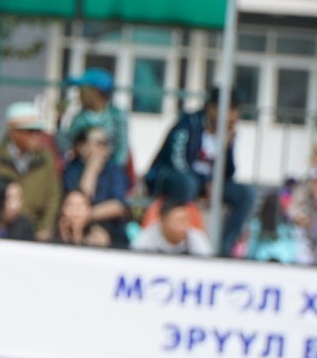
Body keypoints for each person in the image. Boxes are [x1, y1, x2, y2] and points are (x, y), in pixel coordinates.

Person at [144, 89, 252, 257]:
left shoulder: (228, 133)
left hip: (206, 184)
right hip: (173, 178)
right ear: (212, 109)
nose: (233, 116)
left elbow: (229, 173)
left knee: (246, 193)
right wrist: (205, 181)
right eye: (229, 110)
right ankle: (189, 243)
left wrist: (226, 146)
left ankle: (224, 248)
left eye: (236, 111)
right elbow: (177, 161)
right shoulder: (188, 124)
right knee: (188, 183)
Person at [0, 103, 61, 241]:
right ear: (13, 132)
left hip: (34, 233)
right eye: (30, 131)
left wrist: (44, 229)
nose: (36, 136)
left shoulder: (46, 159)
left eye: (38, 131)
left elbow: (53, 198)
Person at [62, 126, 128, 246]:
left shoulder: (115, 170)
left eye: (106, 144)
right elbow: (80, 199)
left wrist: (86, 214)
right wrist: (91, 170)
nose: (104, 148)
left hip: (111, 226)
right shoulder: (72, 169)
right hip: (76, 224)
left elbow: (118, 206)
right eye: (99, 143)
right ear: (82, 147)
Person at [59, 69, 128, 171]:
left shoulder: (117, 116)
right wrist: (59, 122)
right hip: (81, 170)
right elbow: (68, 146)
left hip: (109, 173)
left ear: (96, 92)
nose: (79, 94)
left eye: (83, 90)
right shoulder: (79, 118)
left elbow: (121, 150)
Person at [132, 196, 213, 256]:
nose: (183, 226)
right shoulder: (146, 238)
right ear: (163, 220)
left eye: (185, 220)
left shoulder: (195, 238)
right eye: (179, 220)